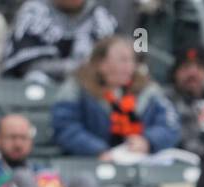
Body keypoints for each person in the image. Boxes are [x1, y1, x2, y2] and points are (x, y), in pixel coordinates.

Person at [50, 35, 180, 158]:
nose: (129, 67)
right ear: (101, 64)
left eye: (132, 61)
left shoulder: (148, 90)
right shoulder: (76, 88)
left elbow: (170, 124)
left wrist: (148, 141)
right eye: (123, 60)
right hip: (91, 163)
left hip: (141, 163)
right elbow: (65, 128)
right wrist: (98, 150)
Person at [2, 0, 115, 84]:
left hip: (88, 90)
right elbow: (26, 65)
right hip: (41, 92)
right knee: (36, 78)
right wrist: (71, 68)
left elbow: (113, 63)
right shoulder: (34, 11)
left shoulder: (101, 18)